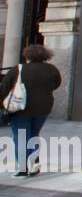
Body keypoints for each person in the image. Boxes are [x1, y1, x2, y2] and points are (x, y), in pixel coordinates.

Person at [1, 45, 61, 177]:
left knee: (21, 137)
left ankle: (22, 169)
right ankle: (34, 165)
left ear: (27, 55)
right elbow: (56, 84)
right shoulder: (51, 69)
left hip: (21, 109)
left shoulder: (19, 69)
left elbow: (4, 87)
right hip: (43, 108)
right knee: (34, 134)